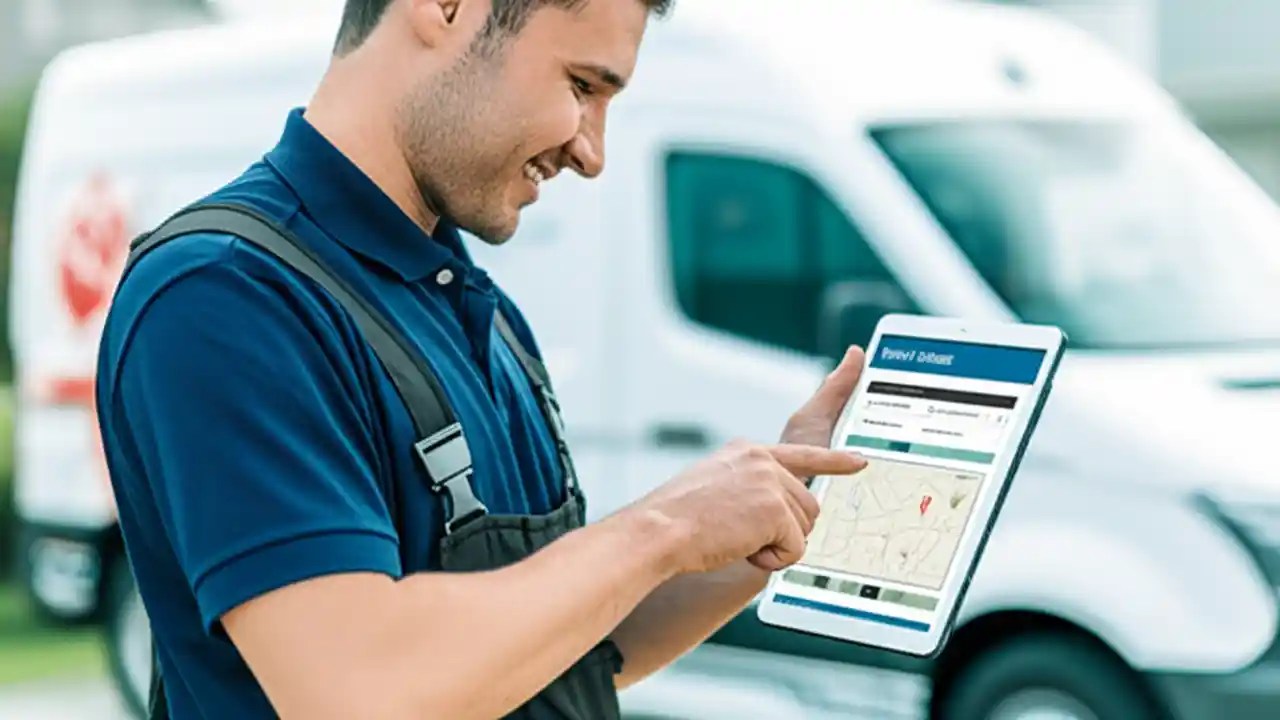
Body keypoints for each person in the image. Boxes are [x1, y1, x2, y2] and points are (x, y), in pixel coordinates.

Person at [94, 0, 870, 717]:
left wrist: (771, 522)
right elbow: (351, 687)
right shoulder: (225, 294)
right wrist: (662, 527)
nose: (591, 150)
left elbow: (575, 642)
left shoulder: (480, 316)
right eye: (582, 85)